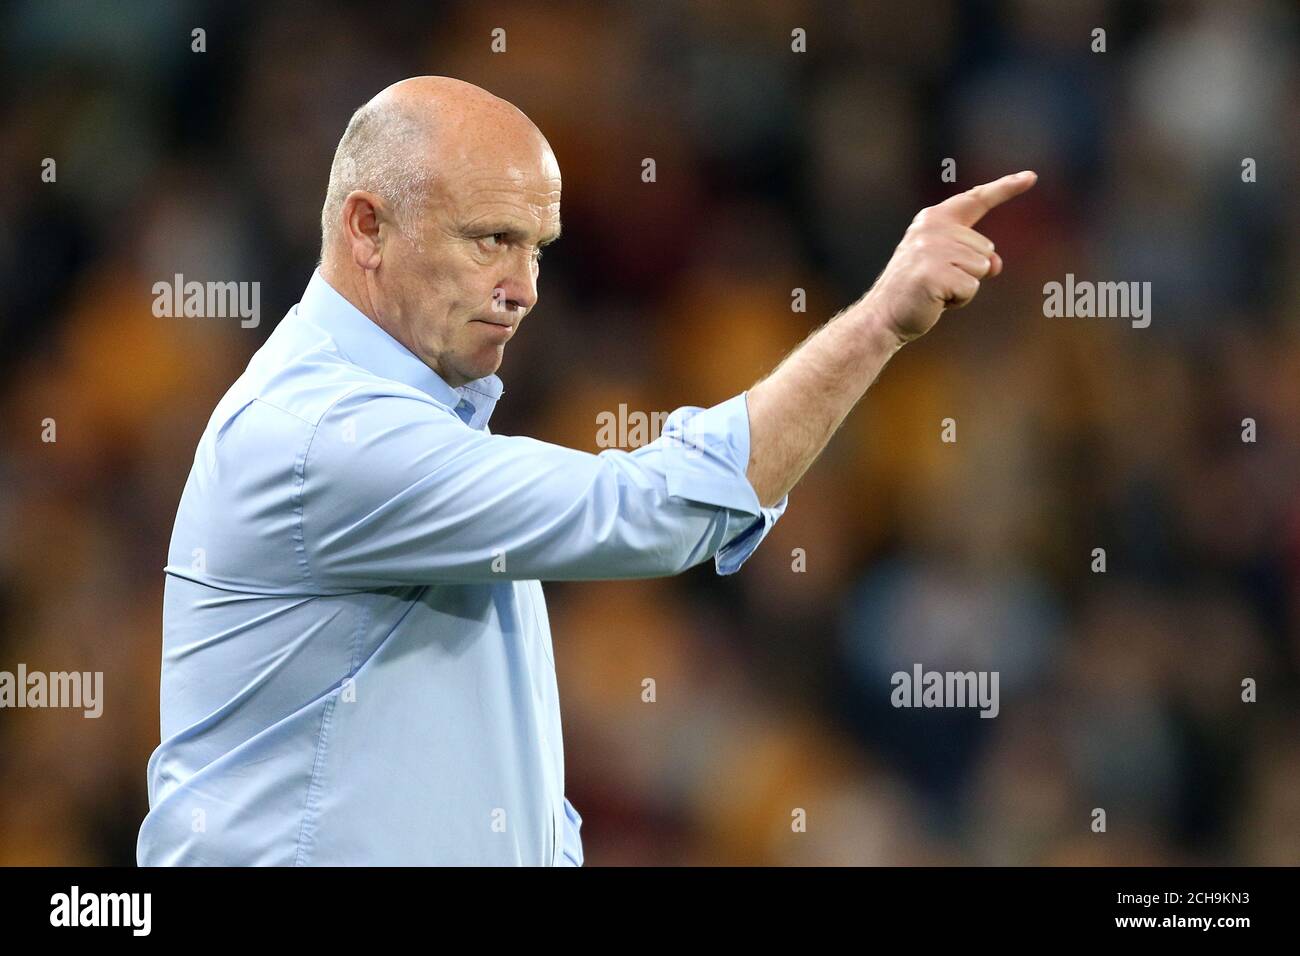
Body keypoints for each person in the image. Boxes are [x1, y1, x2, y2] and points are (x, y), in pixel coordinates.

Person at [137, 75, 1035, 865]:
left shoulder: (409, 423)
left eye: (537, 247)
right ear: (368, 226)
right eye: (491, 239)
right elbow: (650, 514)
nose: (524, 288)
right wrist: (878, 323)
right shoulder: (327, 434)